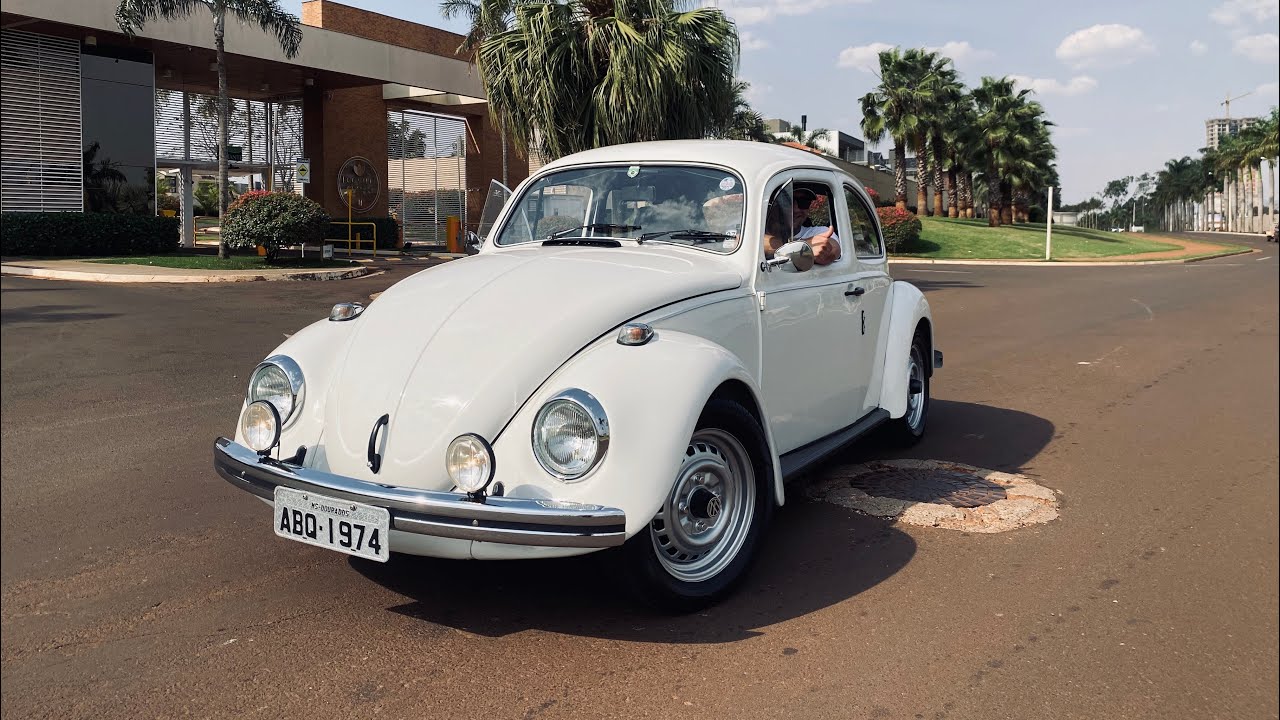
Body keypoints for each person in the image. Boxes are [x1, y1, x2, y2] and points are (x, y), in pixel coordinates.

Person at [764, 187, 841, 265]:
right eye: (787, 202)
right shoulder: (757, 231)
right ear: (773, 205)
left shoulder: (818, 232)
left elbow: (833, 248)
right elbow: (754, 243)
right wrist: (802, 246)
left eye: (804, 202)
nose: (796, 209)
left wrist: (818, 249)